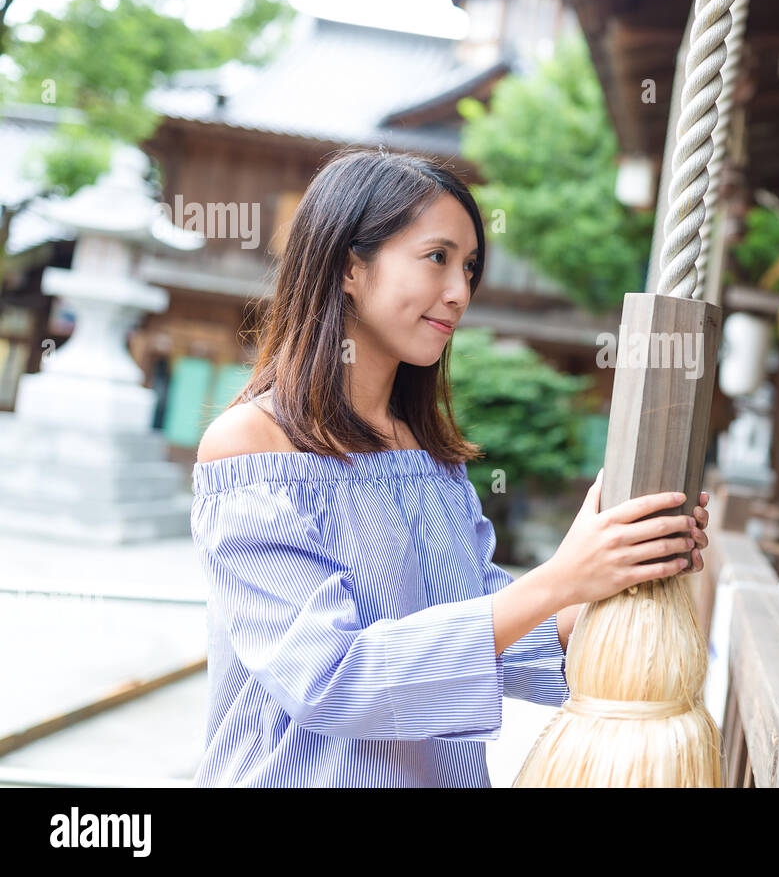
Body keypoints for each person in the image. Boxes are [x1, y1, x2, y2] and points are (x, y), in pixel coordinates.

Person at [189, 148, 710, 787]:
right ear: (351, 265)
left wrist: (619, 561)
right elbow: (329, 681)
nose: (459, 293)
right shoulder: (253, 446)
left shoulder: (428, 458)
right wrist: (558, 579)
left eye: (469, 268)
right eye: (437, 258)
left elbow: (499, 635)